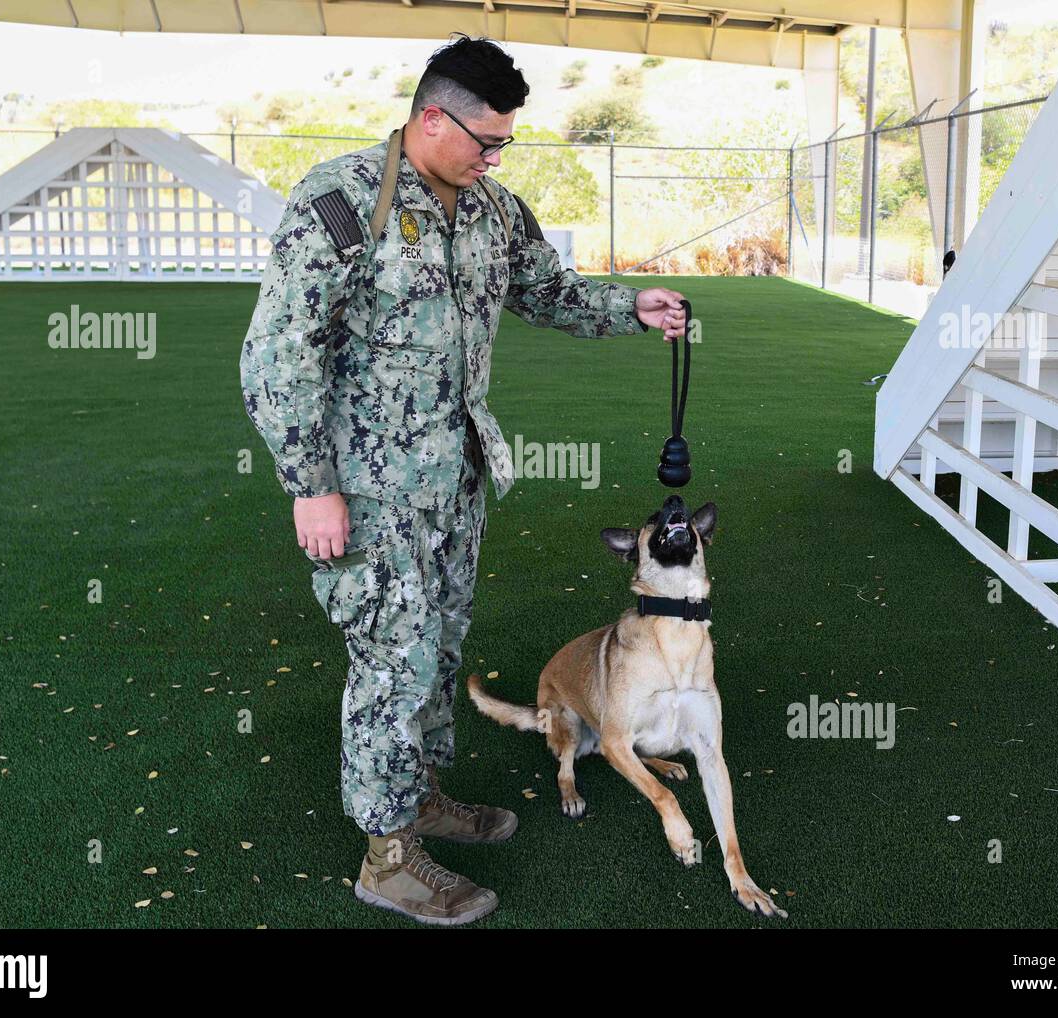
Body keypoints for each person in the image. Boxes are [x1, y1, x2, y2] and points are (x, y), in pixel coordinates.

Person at [240, 33, 687, 926]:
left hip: (458, 479)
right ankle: (388, 857)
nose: (494, 158)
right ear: (430, 120)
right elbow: (278, 355)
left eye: (505, 145)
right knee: (390, 665)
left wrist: (628, 309)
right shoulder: (341, 202)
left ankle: (422, 794)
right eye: (486, 141)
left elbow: (547, 290)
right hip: (368, 489)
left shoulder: (492, 208)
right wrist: (309, 483)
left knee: (438, 650)